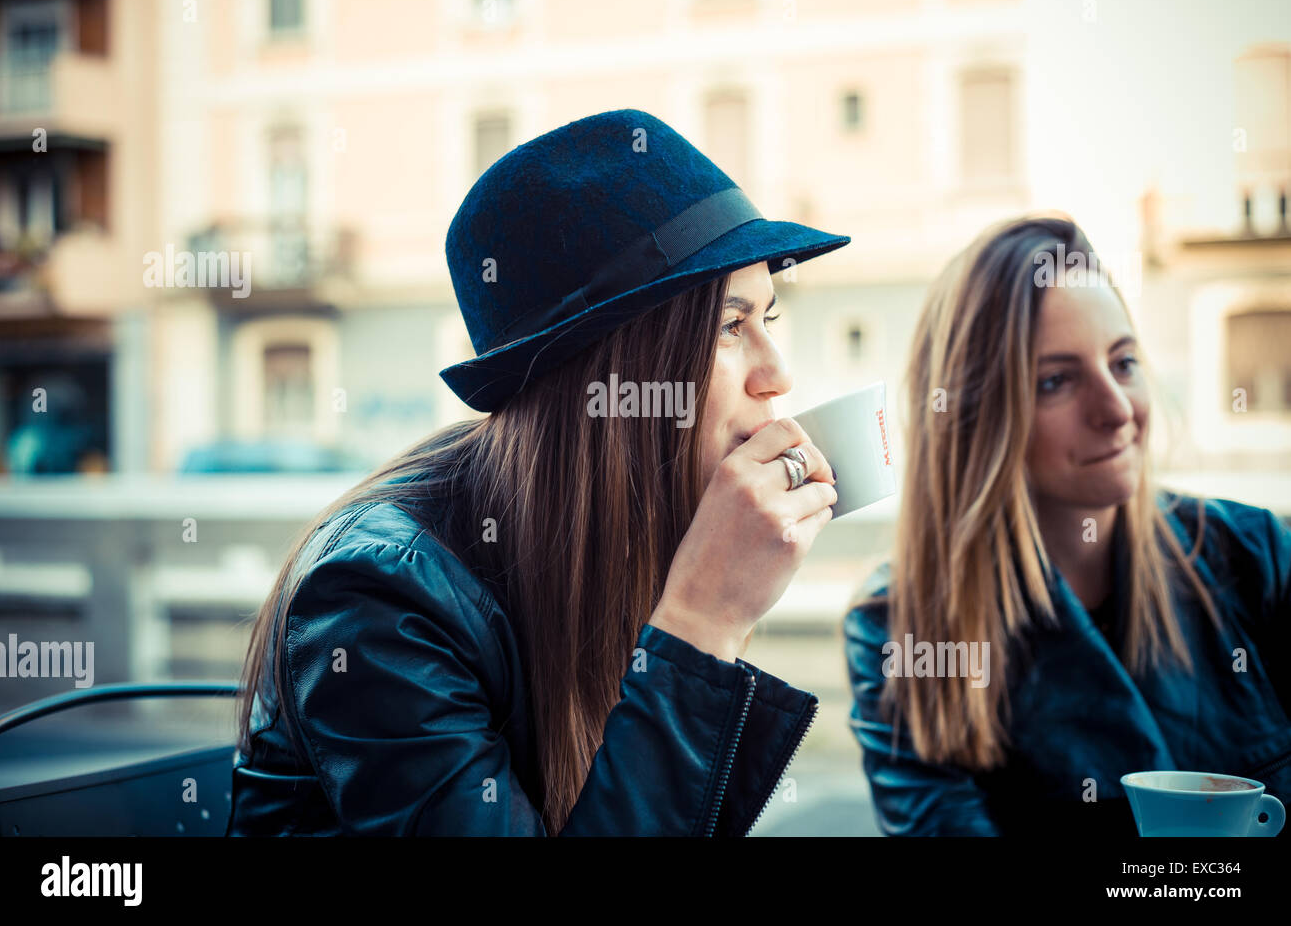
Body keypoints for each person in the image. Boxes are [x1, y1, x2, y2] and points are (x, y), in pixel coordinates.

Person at [226, 108, 850, 836]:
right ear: (618, 375)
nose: (777, 374)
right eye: (729, 326)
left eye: (769, 318)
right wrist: (702, 627)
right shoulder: (378, 598)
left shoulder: (624, 533)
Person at [844, 213, 1291, 836]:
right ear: (975, 419)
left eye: (1124, 362)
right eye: (1056, 381)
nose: (1116, 409)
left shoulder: (1255, 553)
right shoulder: (902, 630)